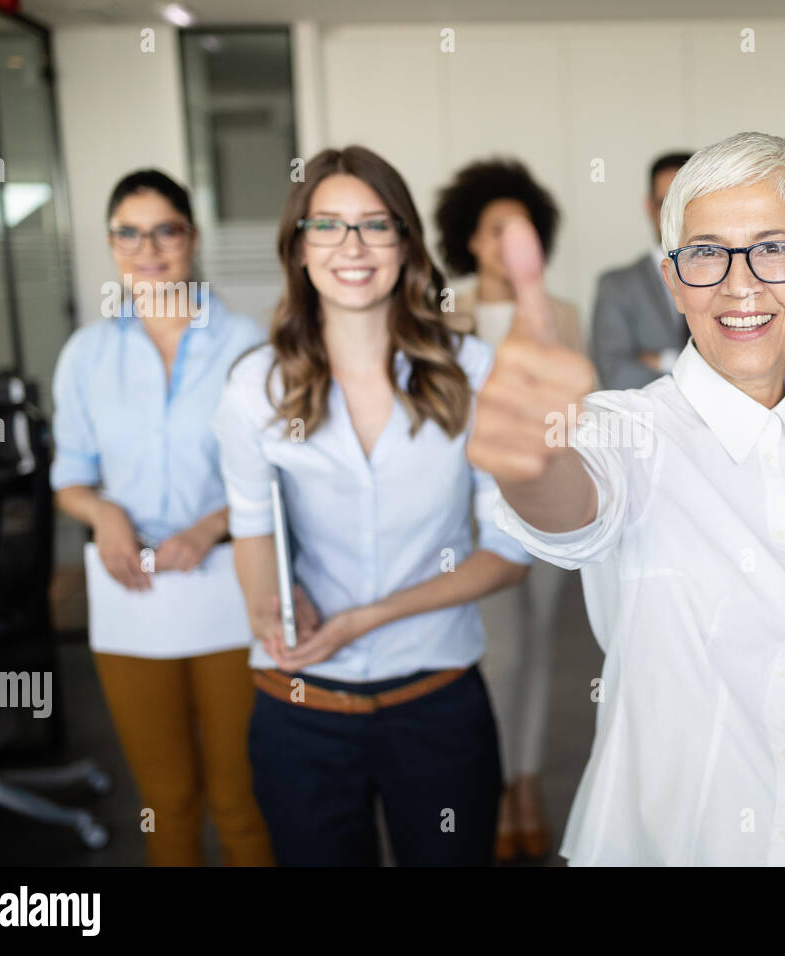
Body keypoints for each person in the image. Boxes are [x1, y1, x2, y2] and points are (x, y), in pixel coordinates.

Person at [468, 131, 785, 866]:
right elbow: (571, 504)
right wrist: (531, 458)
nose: (740, 285)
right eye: (706, 254)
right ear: (674, 281)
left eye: (773, 249)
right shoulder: (627, 430)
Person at [212, 146, 530, 867]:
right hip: (301, 713)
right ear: (298, 248)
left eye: (375, 225)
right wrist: (270, 601)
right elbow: (251, 528)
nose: (351, 247)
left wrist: (369, 617)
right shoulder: (254, 386)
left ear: (405, 243)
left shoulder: (470, 370)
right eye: (327, 225)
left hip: (438, 707)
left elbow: (510, 554)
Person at [51, 169, 273, 866]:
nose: (147, 248)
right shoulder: (87, 353)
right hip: (132, 596)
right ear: (112, 244)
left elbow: (278, 468)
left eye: (164, 230)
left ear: (191, 238)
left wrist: (211, 526)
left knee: (242, 795)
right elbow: (69, 477)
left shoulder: (246, 342)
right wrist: (103, 510)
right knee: (165, 796)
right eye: (129, 232)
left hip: (228, 585)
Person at [434, 158, 579, 861]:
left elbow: (583, 415)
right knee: (502, 656)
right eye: (493, 230)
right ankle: (492, 789)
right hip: (467, 515)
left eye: (517, 231)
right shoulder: (437, 316)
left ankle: (524, 783)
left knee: (542, 650)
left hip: (544, 506)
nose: (504, 243)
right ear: (468, 239)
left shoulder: (561, 315)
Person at [590, 151, 693, 389]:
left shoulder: (735, 276)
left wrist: (663, 360)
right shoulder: (616, 286)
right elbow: (616, 376)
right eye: (664, 204)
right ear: (649, 207)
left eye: (686, 204)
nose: (674, 217)